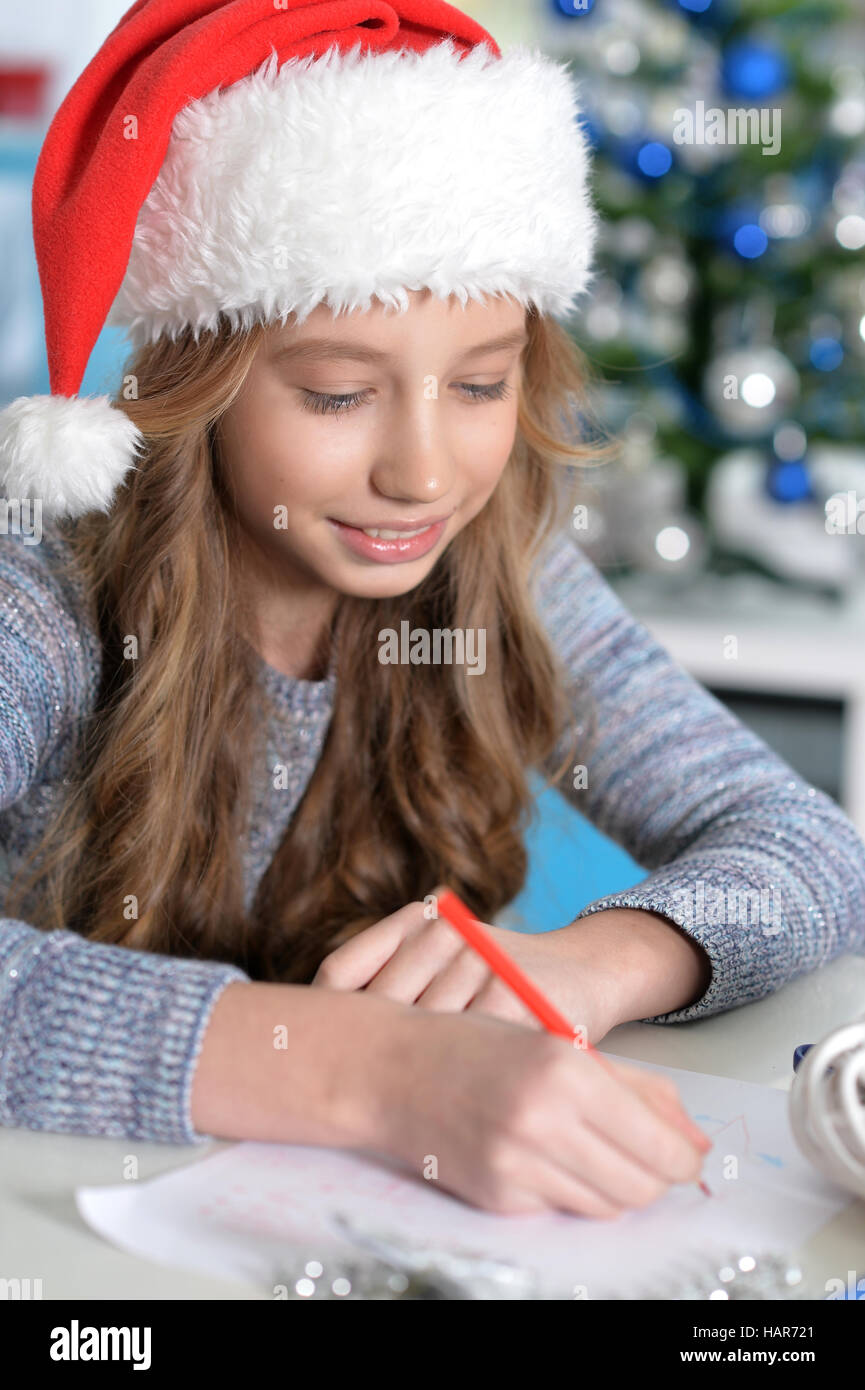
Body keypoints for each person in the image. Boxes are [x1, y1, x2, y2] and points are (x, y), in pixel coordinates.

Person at [0, 0, 862, 1220]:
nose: (423, 474)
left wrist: (582, 962)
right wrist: (379, 1073)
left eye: (479, 384)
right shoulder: (38, 587)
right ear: (200, 383)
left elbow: (808, 844)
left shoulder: (505, 567)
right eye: (339, 393)